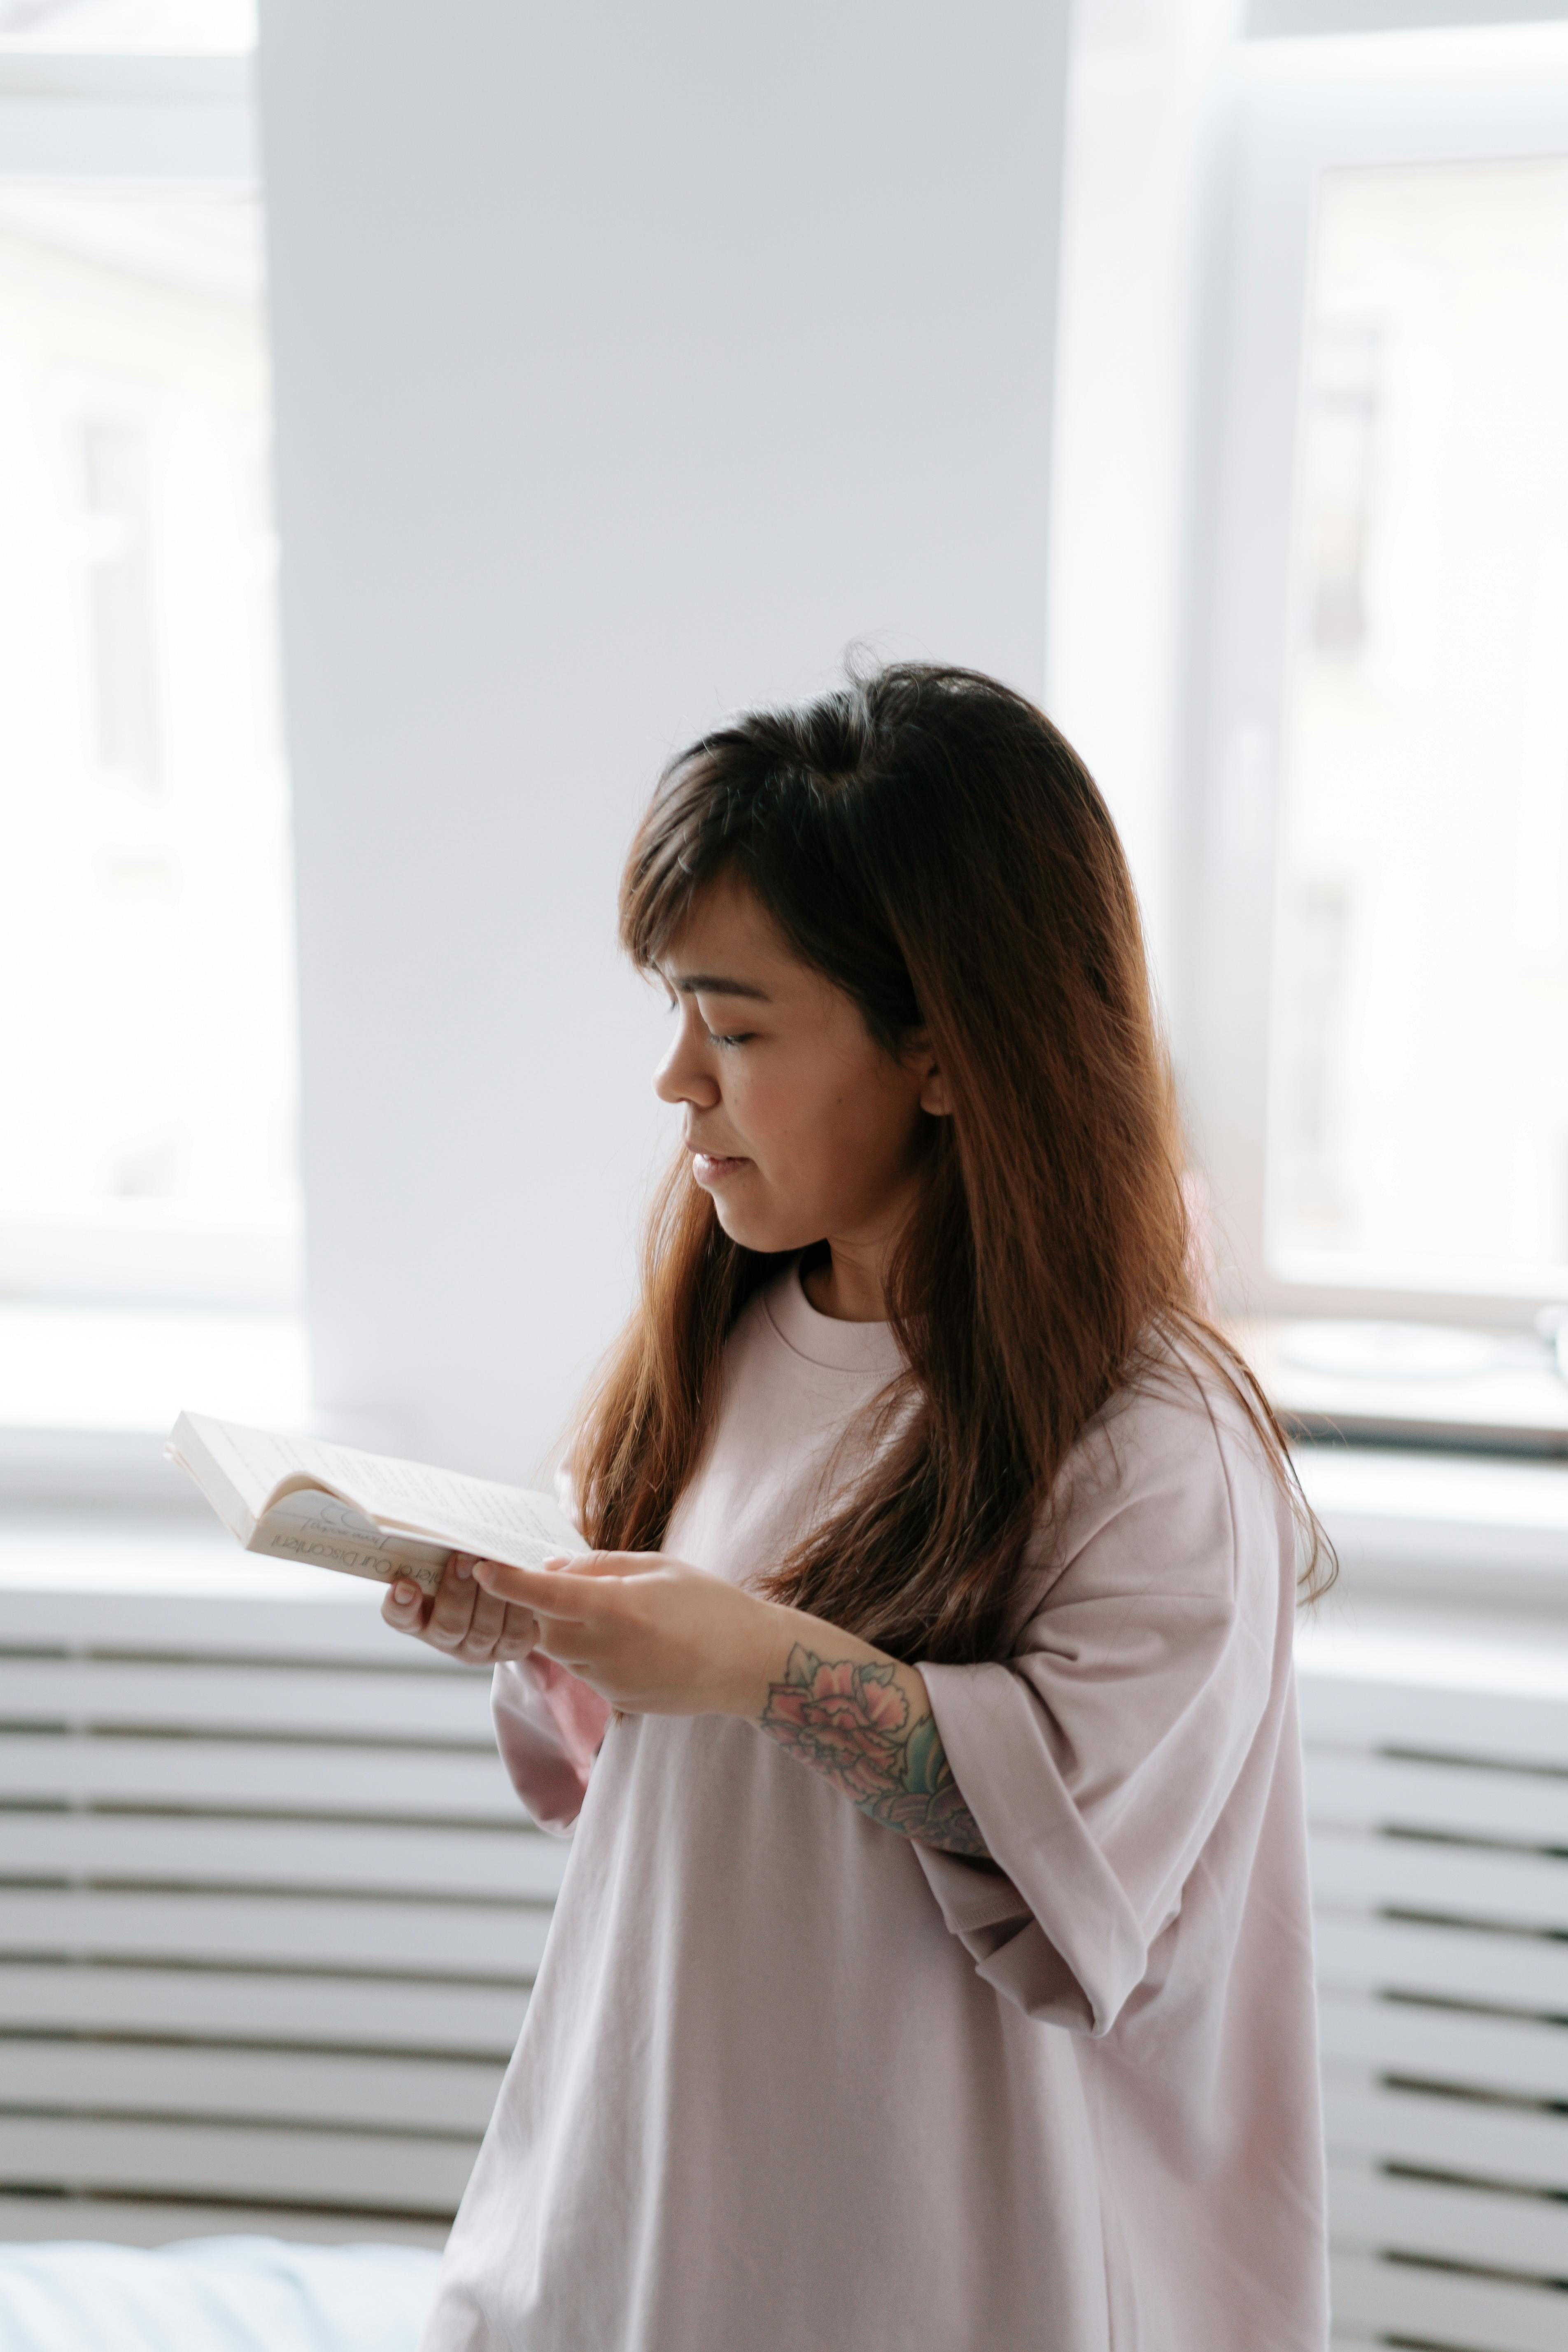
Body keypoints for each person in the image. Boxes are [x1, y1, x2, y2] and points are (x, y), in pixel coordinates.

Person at [387, 664, 1330, 2352]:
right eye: (675, 1013)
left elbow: (1078, 1871)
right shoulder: (728, 1338)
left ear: (948, 1056)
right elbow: (672, 1791)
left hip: (938, 2274)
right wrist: (537, 1631)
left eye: (737, 1026)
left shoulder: (1152, 1445)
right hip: (642, 2216)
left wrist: (755, 1660)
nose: (679, 1078)